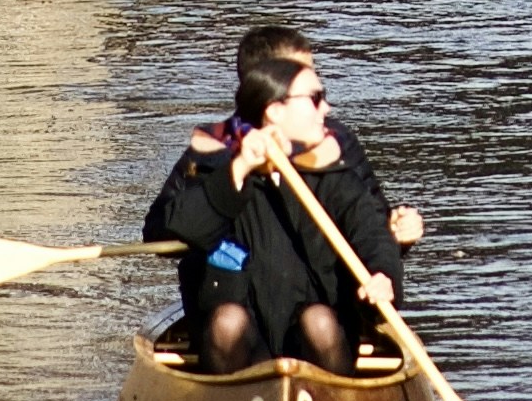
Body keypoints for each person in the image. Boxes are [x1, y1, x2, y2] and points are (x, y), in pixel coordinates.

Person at [145, 21, 426, 376]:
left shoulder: (332, 155)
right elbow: (166, 234)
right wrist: (238, 170)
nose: (326, 109)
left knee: (320, 322)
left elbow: (368, 227)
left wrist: (384, 270)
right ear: (271, 99)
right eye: (313, 95)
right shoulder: (215, 153)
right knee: (227, 322)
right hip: (238, 313)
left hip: (314, 309)